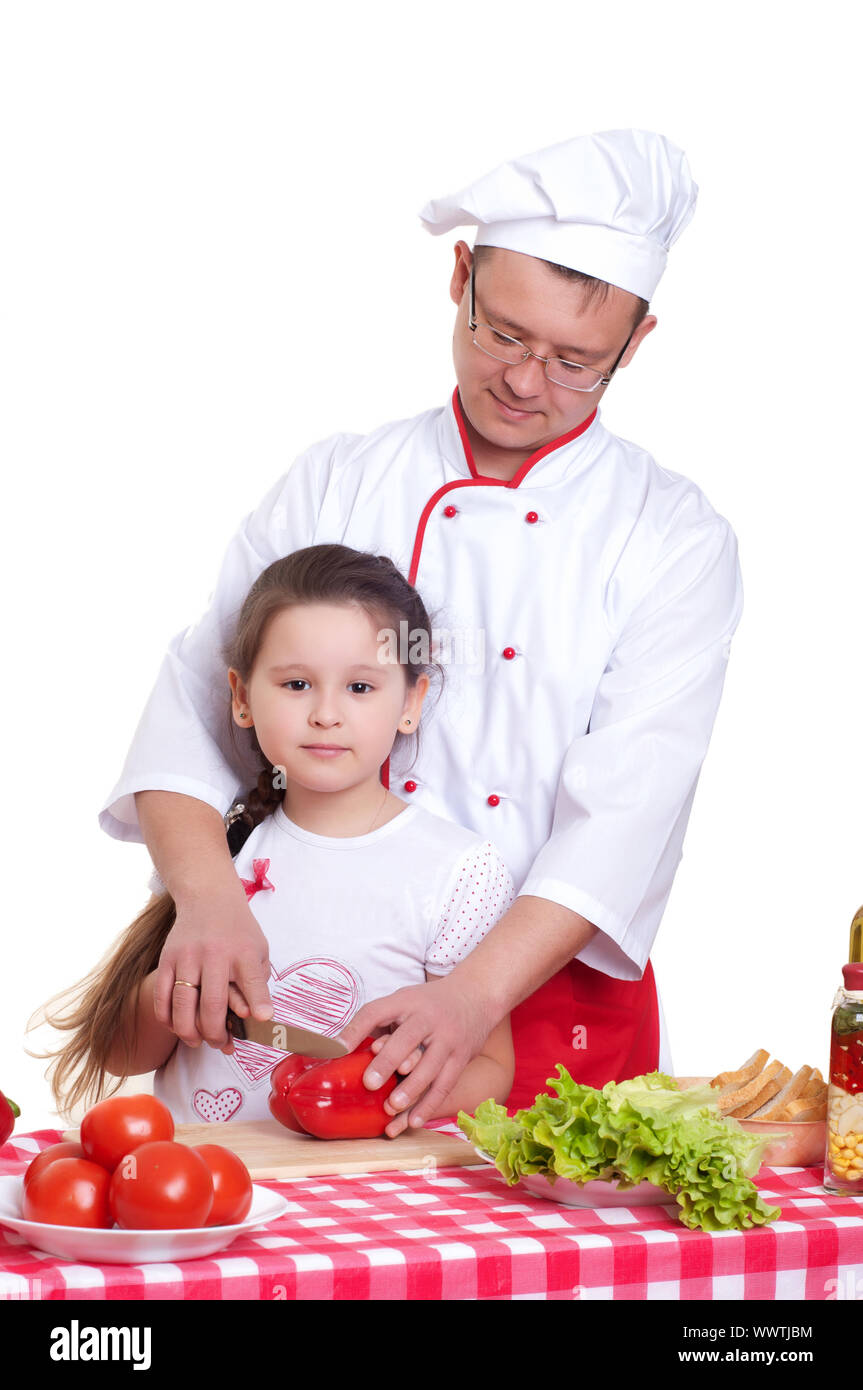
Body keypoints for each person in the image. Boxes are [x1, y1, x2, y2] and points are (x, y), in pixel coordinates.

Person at [100, 130, 742, 1126]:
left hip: (545, 991)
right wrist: (210, 900)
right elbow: (193, 710)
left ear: (638, 341)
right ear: (460, 277)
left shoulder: (670, 537)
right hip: (303, 960)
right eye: (503, 335)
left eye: (577, 362)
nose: (527, 382)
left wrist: (473, 992)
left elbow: (627, 811)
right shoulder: (336, 481)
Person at [38, 545, 515, 1129]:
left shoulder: (458, 870)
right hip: (200, 1180)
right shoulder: (214, 853)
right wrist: (177, 998)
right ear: (241, 697)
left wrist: (379, 1101)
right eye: (295, 684)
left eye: (360, 688)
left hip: (361, 1190)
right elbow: (119, 1054)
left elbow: (491, 1065)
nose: (325, 714)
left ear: (410, 702)